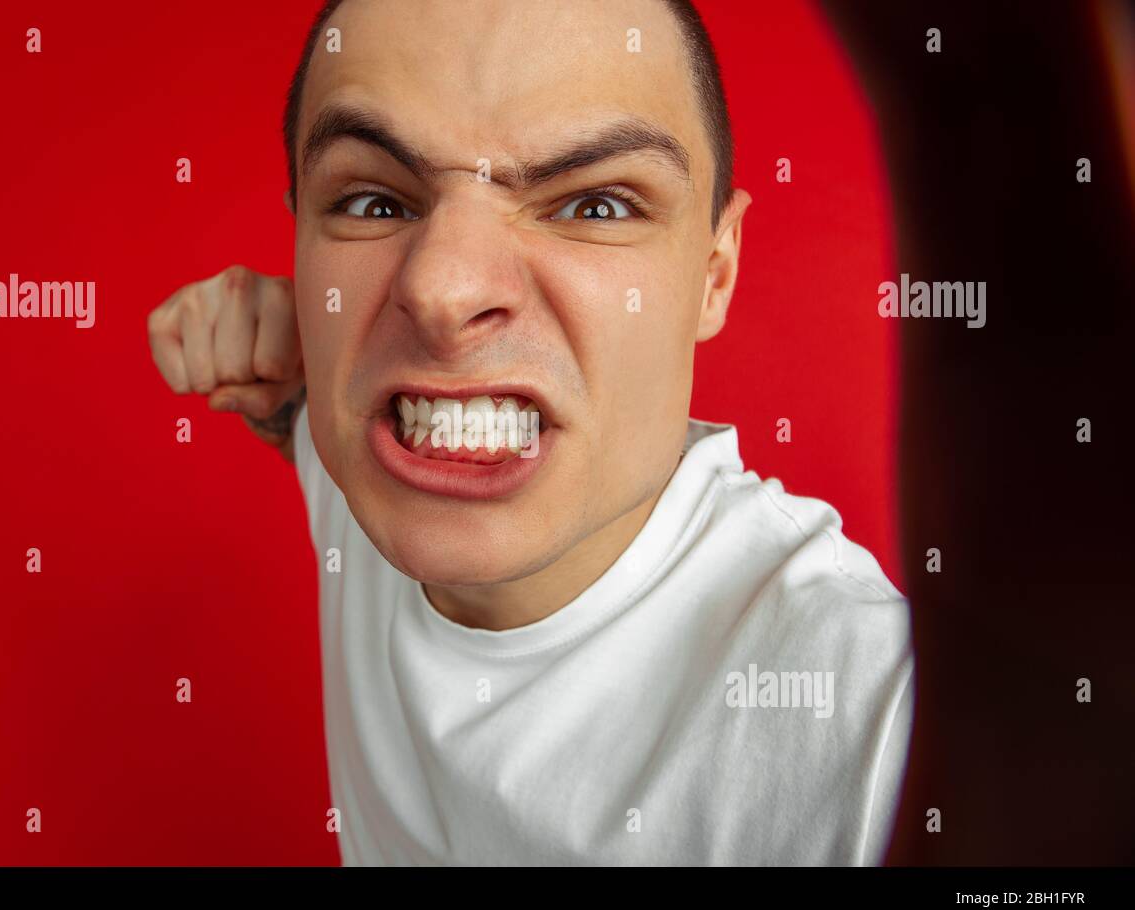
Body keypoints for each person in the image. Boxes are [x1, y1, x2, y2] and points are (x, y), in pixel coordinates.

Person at [146, 0, 913, 865]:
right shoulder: (370, 461)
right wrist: (286, 379)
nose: (440, 291)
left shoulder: (874, 726)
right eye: (372, 201)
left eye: (595, 206)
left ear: (714, 272)